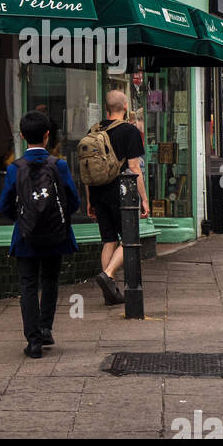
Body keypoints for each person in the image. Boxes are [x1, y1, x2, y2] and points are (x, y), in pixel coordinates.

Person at [0, 110, 81, 359]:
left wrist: (25, 220)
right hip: (56, 235)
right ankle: (46, 329)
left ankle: (33, 341)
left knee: (28, 284)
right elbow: (73, 201)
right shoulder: (60, 165)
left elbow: (4, 206)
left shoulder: (15, 168)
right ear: (47, 135)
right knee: (50, 281)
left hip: (26, 237)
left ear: (23, 136)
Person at [86, 90, 149, 303]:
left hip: (97, 192)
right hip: (121, 192)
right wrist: (143, 199)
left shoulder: (93, 131)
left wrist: (89, 201)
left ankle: (110, 292)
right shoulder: (129, 131)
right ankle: (108, 273)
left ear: (106, 109)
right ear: (125, 108)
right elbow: (134, 168)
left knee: (109, 240)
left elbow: (88, 170)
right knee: (130, 239)